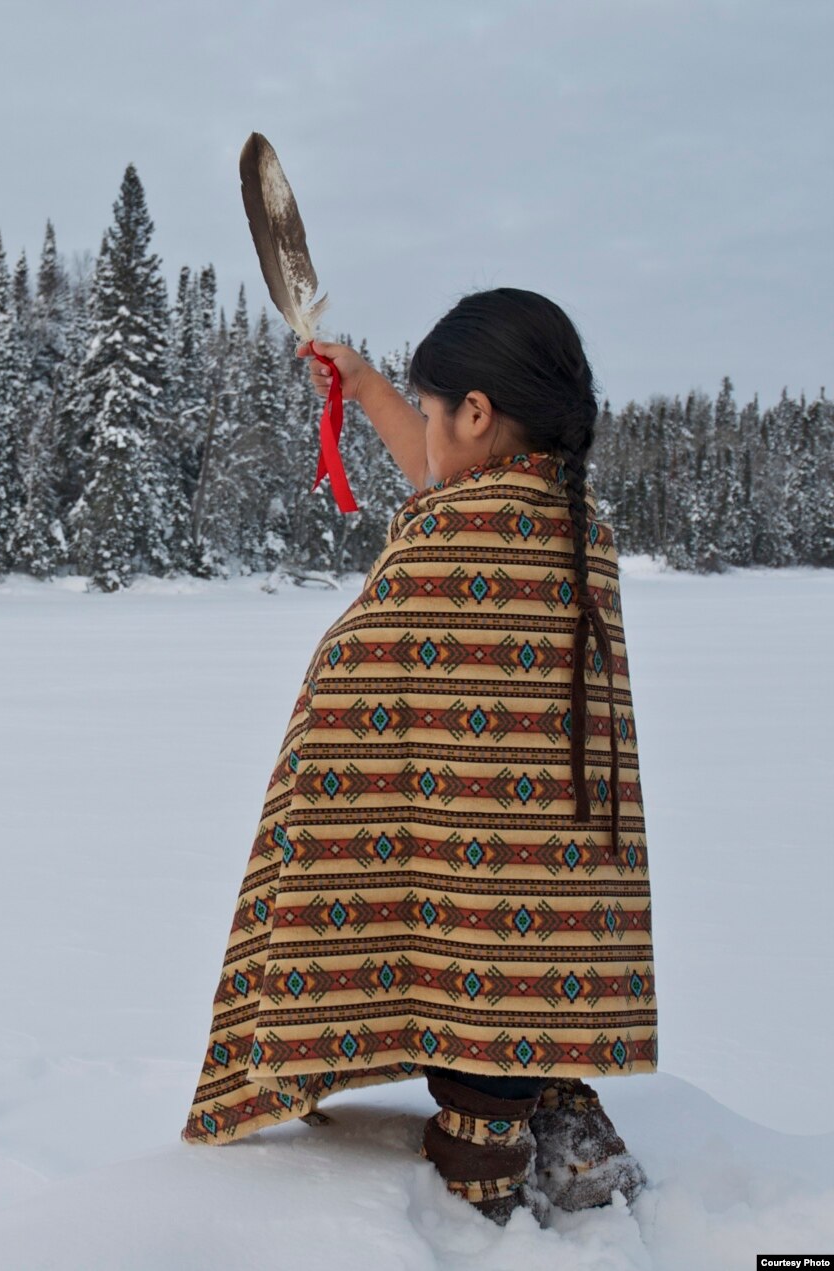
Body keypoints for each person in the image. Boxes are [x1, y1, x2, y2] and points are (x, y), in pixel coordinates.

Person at [180, 288, 655, 1228]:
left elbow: (362, 667)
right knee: (519, 993)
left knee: (467, 1035)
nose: (425, 435)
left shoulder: (451, 533)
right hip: (550, 943)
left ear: (477, 413)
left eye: (434, 412)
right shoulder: (574, 524)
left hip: (464, 934)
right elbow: (444, 474)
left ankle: (483, 1184)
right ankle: (565, 1115)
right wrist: (363, 387)